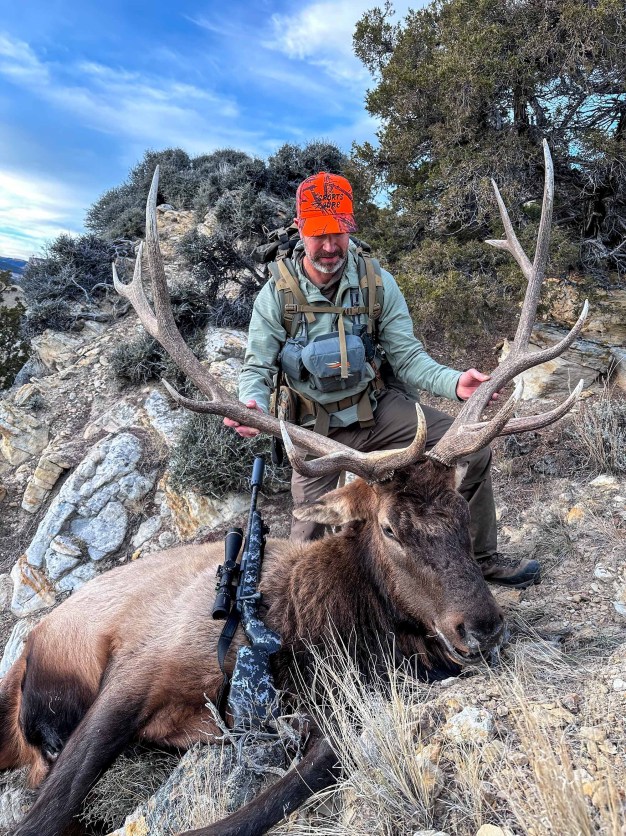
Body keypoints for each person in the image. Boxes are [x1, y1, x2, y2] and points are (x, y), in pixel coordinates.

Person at [225, 172, 540, 588]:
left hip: (375, 411)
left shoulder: (376, 282)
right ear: (301, 230)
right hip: (313, 427)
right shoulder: (276, 295)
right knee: (307, 533)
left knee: (473, 450)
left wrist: (455, 383)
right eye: (319, 235)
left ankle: (479, 558)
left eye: (338, 233)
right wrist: (254, 405)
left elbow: (408, 358)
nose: (330, 246)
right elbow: (257, 368)